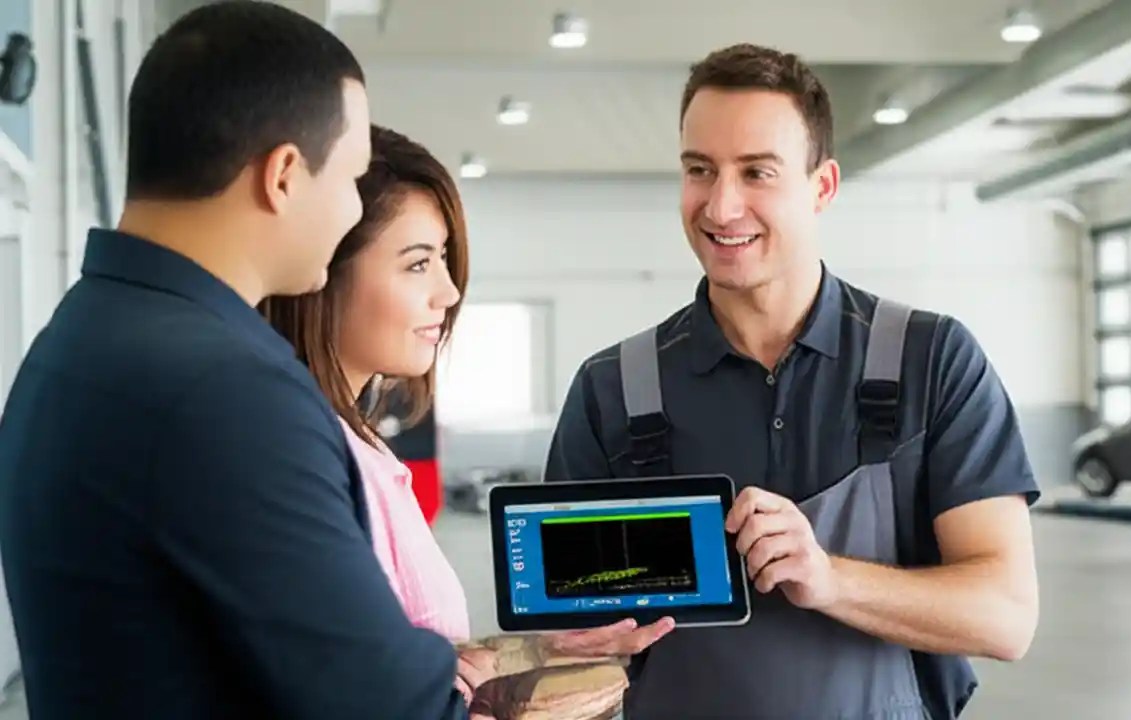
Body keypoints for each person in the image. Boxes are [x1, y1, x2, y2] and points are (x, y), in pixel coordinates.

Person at [544, 43, 1041, 720]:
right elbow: (567, 645)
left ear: (822, 186)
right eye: (700, 170)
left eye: (757, 172)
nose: (721, 206)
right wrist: (555, 651)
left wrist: (831, 579)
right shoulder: (613, 389)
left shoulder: (931, 360)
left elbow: (1007, 617)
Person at [0, 3, 456, 718]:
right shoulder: (228, 389)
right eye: (349, 179)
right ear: (283, 175)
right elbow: (383, 701)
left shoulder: (77, 338)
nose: (349, 212)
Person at [259, 124, 673, 717]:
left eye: (444, 261)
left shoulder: (360, 447)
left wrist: (543, 650)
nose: (449, 292)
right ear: (325, 266)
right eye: (418, 264)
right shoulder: (301, 459)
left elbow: (408, 661)